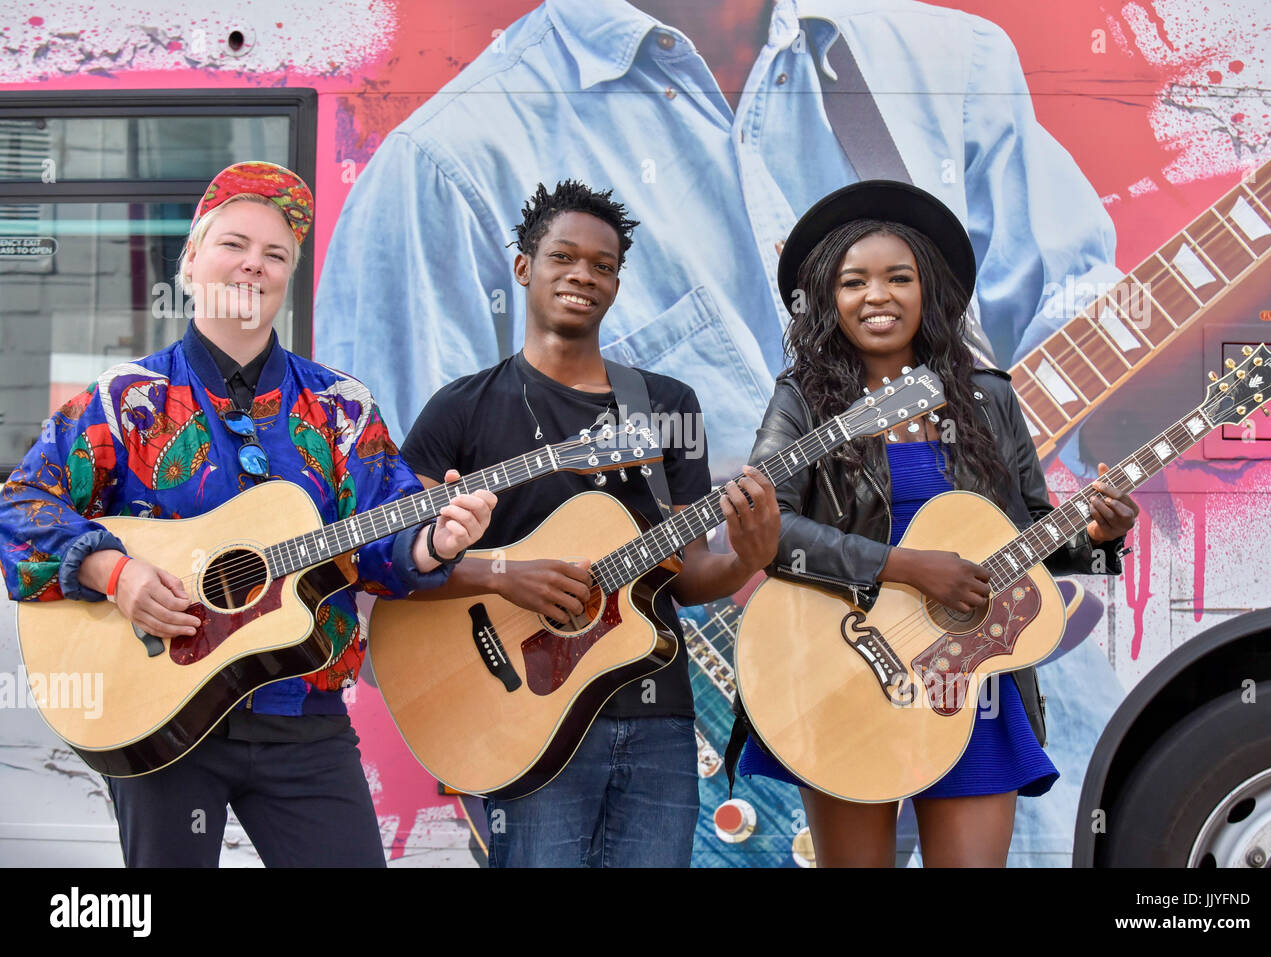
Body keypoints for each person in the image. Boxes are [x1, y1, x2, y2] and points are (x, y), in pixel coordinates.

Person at [315, 0, 1122, 476]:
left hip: (1010, 711)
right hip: (674, 746)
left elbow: (1081, 362)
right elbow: (396, 551)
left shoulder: (958, 64)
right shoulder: (447, 169)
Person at [0, 161, 496, 867]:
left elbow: (386, 548)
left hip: (305, 716)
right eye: (235, 244)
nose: (252, 266)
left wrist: (435, 544)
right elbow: (19, 506)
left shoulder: (342, 409)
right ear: (193, 260)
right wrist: (117, 574)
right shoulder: (125, 401)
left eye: (275, 256)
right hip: (165, 719)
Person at [736, 180, 1139, 866]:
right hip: (843, 669)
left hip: (968, 682)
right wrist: (906, 567)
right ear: (828, 300)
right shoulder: (801, 402)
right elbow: (772, 536)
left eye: (900, 277)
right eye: (853, 280)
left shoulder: (990, 399)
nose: (878, 295)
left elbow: (1031, 536)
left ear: (930, 292)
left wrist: (1097, 538)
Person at [398, 180, 782, 867]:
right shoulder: (459, 410)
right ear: (523, 267)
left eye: (603, 266)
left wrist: (745, 558)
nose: (584, 275)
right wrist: (506, 576)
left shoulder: (665, 406)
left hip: (657, 715)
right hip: (522, 716)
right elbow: (396, 559)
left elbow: (687, 573)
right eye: (564, 257)